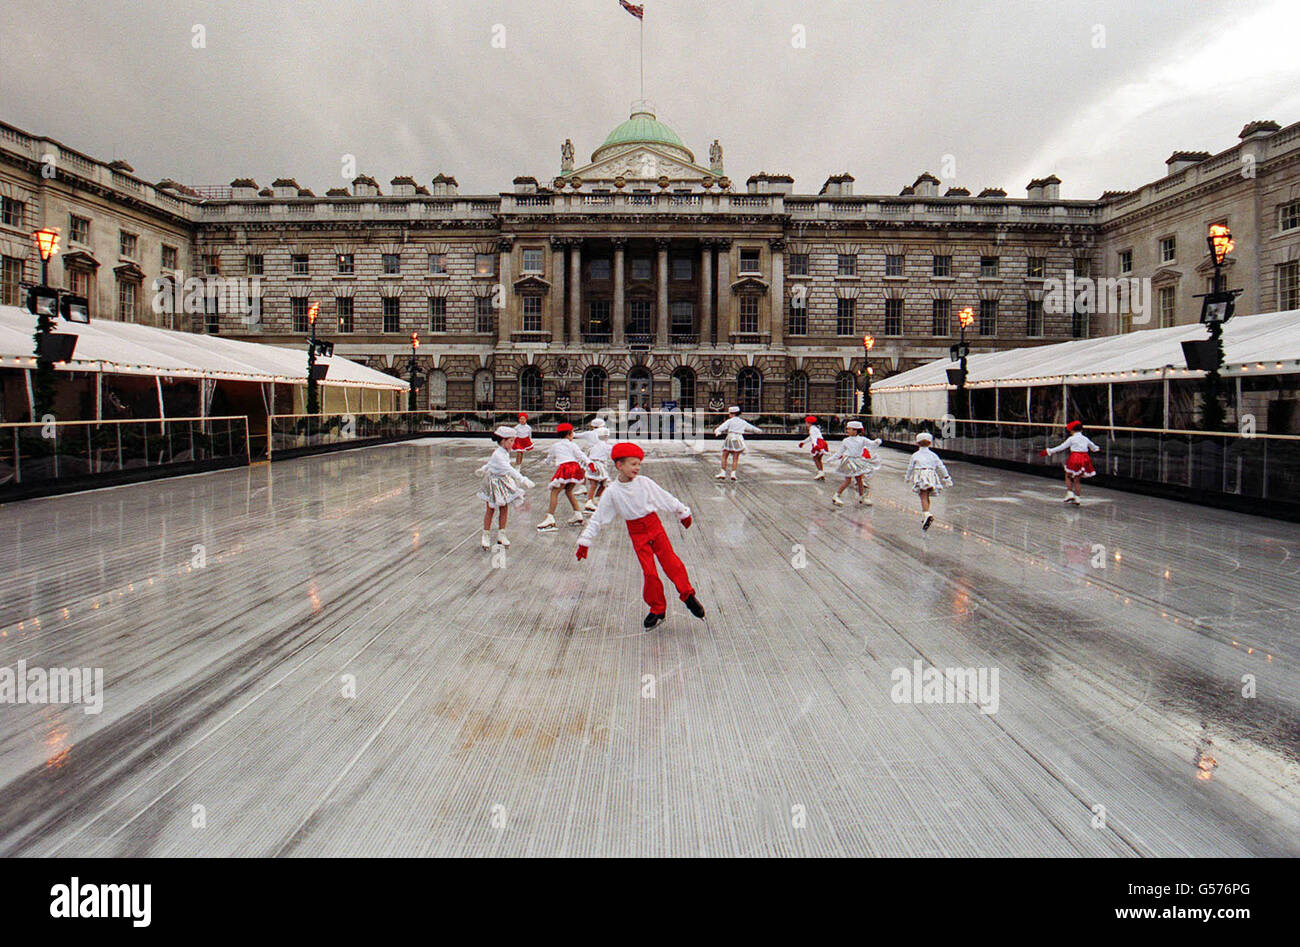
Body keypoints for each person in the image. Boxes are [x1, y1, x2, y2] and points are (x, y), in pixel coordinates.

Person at [576, 441, 706, 629]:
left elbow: (664, 497)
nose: (637, 468)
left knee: (671, 562)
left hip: (654, 526)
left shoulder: (644, 483)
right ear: (619, 465)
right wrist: (585, 541)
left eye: (639, 464)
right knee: (649, 572)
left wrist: (681, 511)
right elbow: (598, 517)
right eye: (633, 464)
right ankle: (657, 608)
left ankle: (688, 596)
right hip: (636, 532)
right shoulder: (612, 492)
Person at [476, 425, 535, 548]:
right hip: (493, 482)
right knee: (490, 509)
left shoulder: (504, 452)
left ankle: (501, 534)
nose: (513, 443)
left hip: (502, 481)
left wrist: (483, 468)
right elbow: (508, 468)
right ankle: (485, 535)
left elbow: (491, 463)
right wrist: (522, 479)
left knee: (504, 507)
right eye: (511, 441)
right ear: (503, 441)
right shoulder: (498, 454)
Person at [536, 422, 592, 531]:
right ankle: (577, 514)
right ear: (569, 434)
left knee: (554, 492)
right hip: (575, 468)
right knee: (568, 491)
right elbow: (580, 455)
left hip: (566, 468)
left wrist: (546, 462)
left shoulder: (555, 446)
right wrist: (590, 463)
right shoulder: (573, 445)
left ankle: (550, 518)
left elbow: (549, 458)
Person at [1041, 420, 1100, 505]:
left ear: (1072, 430)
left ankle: (1069, 493)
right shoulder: (1085, 439)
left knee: (1068, 475)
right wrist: (1097, 448)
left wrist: (1049, 451)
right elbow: (1093, 447)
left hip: (1075, 457)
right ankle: (1078, 498)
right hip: (1084, 458)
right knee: (1077, 479)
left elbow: (1062, 447)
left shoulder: (1072, 439)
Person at [905, 431, 953, 532]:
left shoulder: (915, 455)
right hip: (931, 476)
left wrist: (907, 477)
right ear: (930, 443)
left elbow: (910, 467)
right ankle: (925, 515)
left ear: (917, 443)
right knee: (926, 496)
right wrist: (947, 477)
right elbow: (941, 466)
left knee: (923, 495)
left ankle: (927, 513)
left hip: (921, 476)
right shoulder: (933, 455)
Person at [828, 420, 881, 506]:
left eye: (849, 429)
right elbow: (840, 452)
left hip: (857, 461)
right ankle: (836, 495)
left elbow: (871, 444)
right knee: (848, 480)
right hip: (848, 461)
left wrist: (876, 442)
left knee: (859, 480)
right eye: (847, 429)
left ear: (856, 430)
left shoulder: (862, 440)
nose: (847, 431)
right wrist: (832, 458)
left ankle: (861, 497)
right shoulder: (846, 440)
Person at [713, 406, 762, 481]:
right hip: (738, 438)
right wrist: (759, 431)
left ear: (731, 414)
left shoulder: (730, 421)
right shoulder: (742, 422)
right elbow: (751, 428)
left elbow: (721, 428)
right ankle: (733, 474)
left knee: (725, 455)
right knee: (735, 457)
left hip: (730, 437)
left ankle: (723, 472)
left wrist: (717, 431)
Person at [582, 425, 613, 513]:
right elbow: (613, 453)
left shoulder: (594, 446)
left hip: (592, 465)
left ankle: (593, 500)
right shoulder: (606, 446)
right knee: (602, 483)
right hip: (599, 466)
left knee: (595, 484)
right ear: (606, 436)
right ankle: (592, 500)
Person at [797, 415, 829, 480]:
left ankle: (820, 472)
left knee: (815, 458)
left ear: (809, 423)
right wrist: (803, 442)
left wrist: (815, 446)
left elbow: (813, 438)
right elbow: (811, 437)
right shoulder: (815, 428)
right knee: (819, 458)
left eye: (806, 423)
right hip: (822, 442)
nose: (806, 424)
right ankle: (821, 472)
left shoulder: (812, 429)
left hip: (818, 443)